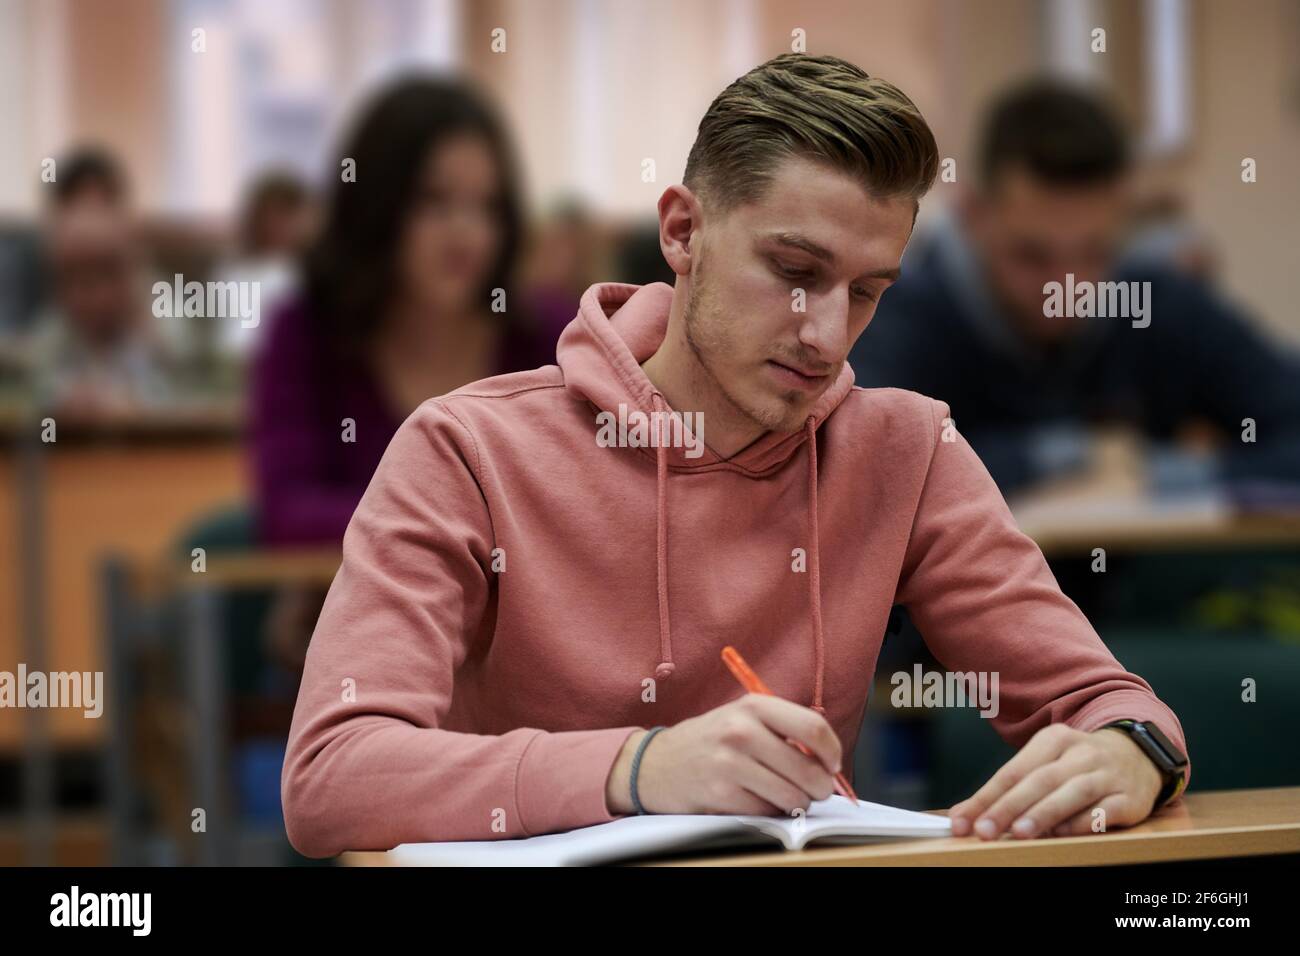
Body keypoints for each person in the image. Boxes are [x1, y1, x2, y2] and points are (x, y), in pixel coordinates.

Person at [282, 54, 1189, 857]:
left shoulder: (905, 451)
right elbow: (331, 777)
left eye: (867, 291)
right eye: (795, 273)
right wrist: (639, 768)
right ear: (682, 233)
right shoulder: (466, 448)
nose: (829, 336)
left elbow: (1112, 704)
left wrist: (1131, 752)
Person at [848, 79, 1300, 496]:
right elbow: (872, 465)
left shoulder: (1156, 304)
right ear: (972, 214)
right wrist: (1071, 457)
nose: (1068, 287)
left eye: (1094, 253)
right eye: (1033, 256)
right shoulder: (899, 317)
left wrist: (1164, 476)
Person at [250, 75, 557, 549]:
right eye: (434, 201)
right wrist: (467, 518)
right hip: (345, 617)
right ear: (378, 204)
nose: (466, 233)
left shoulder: (546, 336)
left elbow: (578, 510)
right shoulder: (307, 332)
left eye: (487, 206)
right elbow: (288, 515)